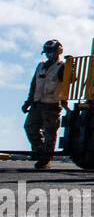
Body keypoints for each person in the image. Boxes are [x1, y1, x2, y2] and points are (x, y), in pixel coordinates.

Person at [22, 39, 66, 169]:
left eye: (51, 52)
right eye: (46, 52)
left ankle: (45, 160)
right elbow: (34, 85)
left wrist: (71, 67)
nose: (48, 55)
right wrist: (28, 102)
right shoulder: (40, 66)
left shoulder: (62, 66)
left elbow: (70, 81)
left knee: (50, 133)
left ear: (58, 51)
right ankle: (40, 151)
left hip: (52, 105)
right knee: (29, 127)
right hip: (37, 104)